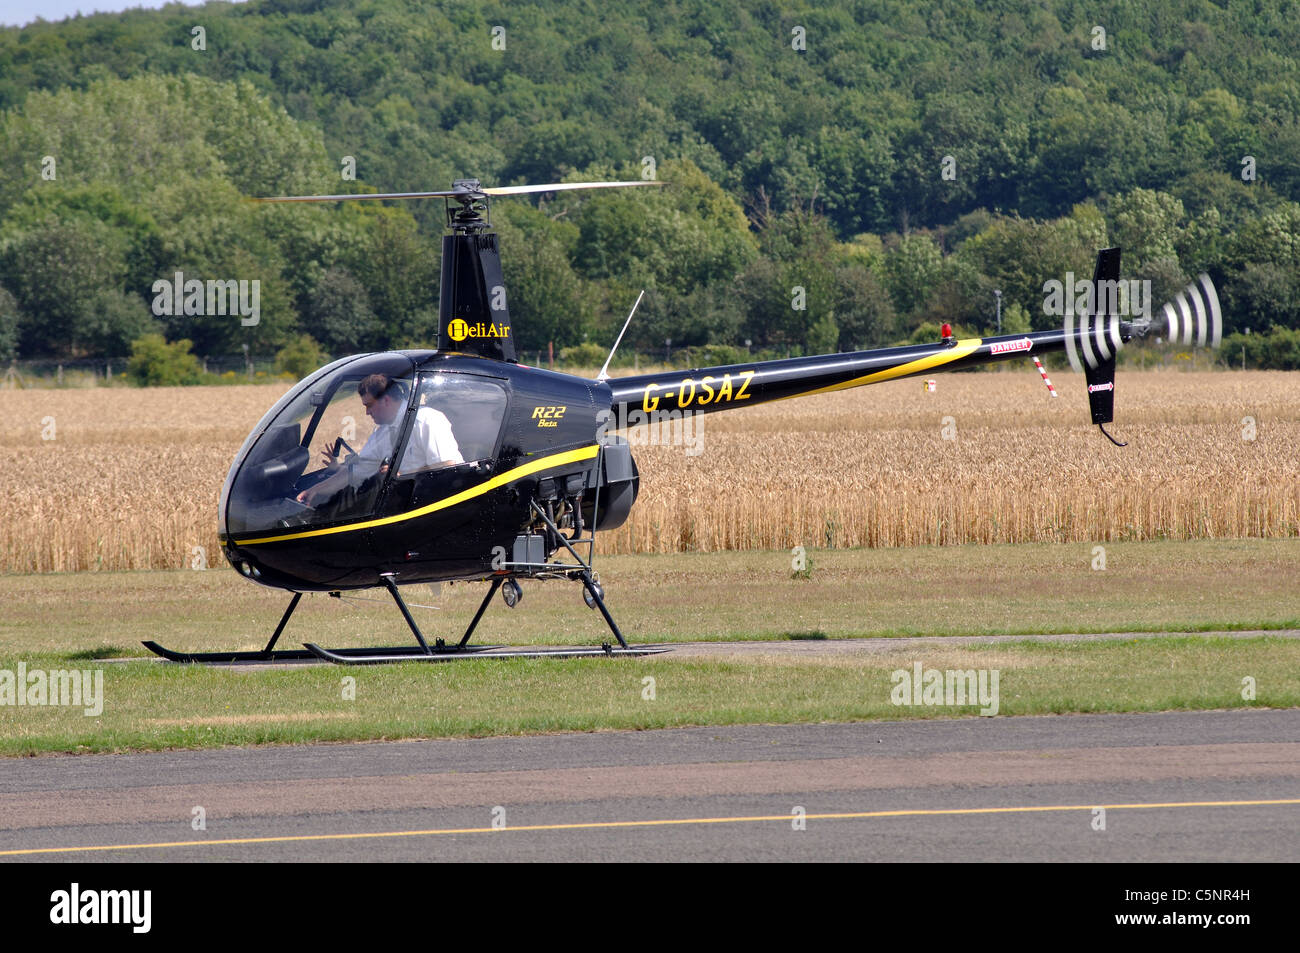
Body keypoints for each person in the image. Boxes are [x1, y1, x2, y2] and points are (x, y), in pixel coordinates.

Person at [296, 374, 462, 508]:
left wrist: (403, 474)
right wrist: (314, 490)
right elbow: (355, 472)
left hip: (443, 503)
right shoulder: (382, 432)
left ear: (386, 400)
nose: (367, 413)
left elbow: (446, 467)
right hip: (409, 503)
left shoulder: (427, 420)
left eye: (369, 405)